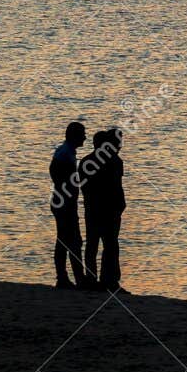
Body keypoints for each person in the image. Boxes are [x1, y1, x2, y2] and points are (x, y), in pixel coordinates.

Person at [81, 128, 126, 292]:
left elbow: (84, 189)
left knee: (92, 244)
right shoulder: (115, 162)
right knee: (110, 245)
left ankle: (92, 279)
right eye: (118, 143)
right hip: (109, 211)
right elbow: (116, 188)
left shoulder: (86, 161)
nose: (120, 146)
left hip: (92, 209)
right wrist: (120, 205)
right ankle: (110, 281)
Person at [49, 121, 86, 288]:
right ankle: (67, 278)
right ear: (74, 136)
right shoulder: (64, 153)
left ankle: (71, 277)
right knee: (69, 240)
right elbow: (56, 172)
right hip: (64, 203)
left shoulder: (65, 152)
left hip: (64, 201)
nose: (85, 137)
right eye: (82, 134)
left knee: (68, 240)